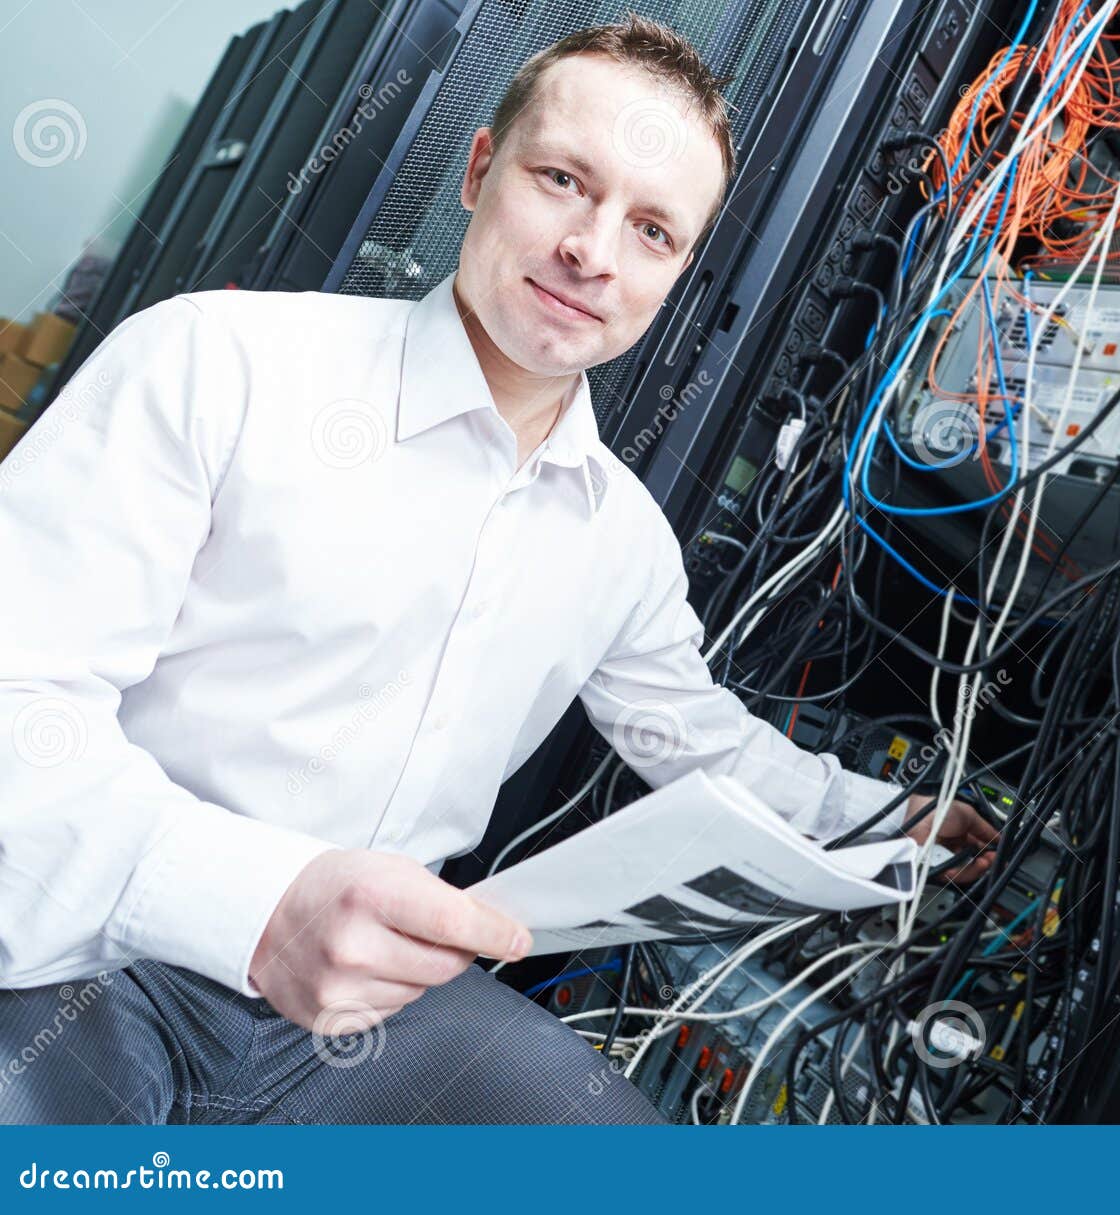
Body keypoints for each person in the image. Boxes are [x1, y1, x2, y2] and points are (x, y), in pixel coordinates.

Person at [0, 15, 995, 1124]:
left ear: (675, 274)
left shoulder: (619, 539)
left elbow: (701, 742)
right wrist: (253, 901)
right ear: (479, 171)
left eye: (652, 231)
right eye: (564, 180)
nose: (594, 252)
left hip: (370, 1007)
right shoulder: (216, 364)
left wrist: (892, 817)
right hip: (89, 943)